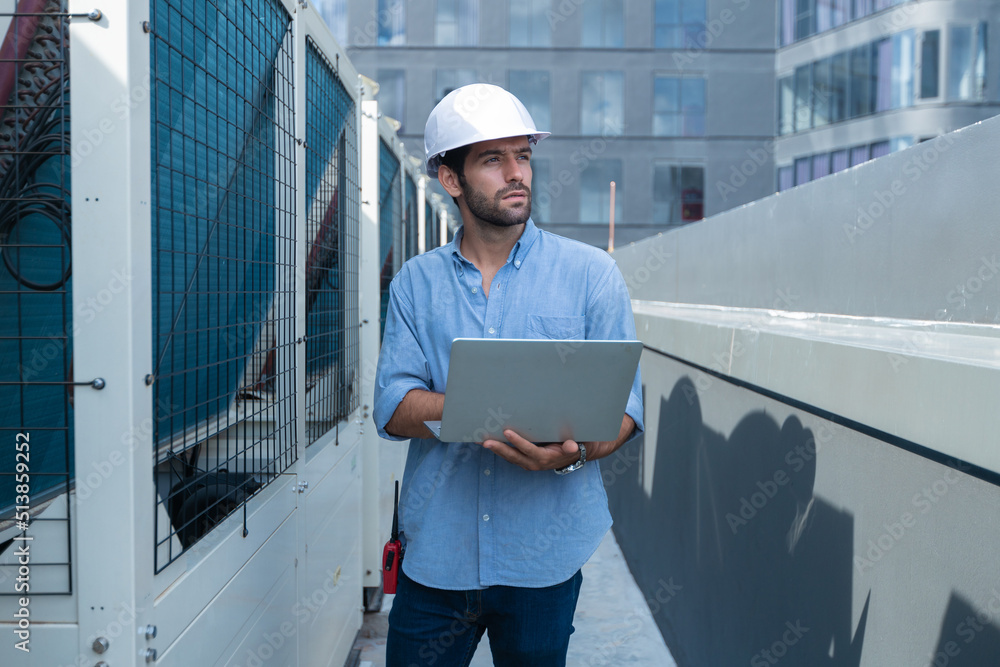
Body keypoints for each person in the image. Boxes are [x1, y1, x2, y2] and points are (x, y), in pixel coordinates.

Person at [373, 83, 644, 667]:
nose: (515, 172)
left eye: (522, 155)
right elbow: (392, 407)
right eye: (493, 159)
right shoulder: (415, 285)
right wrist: (474, 403)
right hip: (436, 557)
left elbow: (624, 411)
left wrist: (569, 455)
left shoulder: (592, 276)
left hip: (544, 557)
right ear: (452, 180)